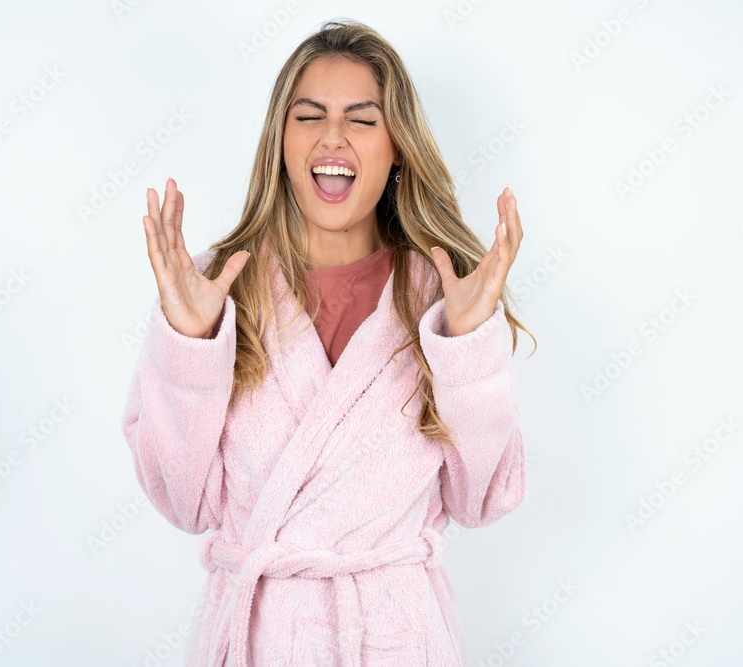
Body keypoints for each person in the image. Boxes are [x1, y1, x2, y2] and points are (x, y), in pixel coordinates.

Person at [122, 19, 535, 667]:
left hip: (398, 642)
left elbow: (480, 499)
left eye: (362, 119)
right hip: (260, 640)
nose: (333, 136)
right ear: (281, 141)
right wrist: (191, 344)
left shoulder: (443, 297)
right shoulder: (214, 289)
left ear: (398, 145)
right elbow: (183, 503)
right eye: (309, 115)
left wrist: (468, 344)